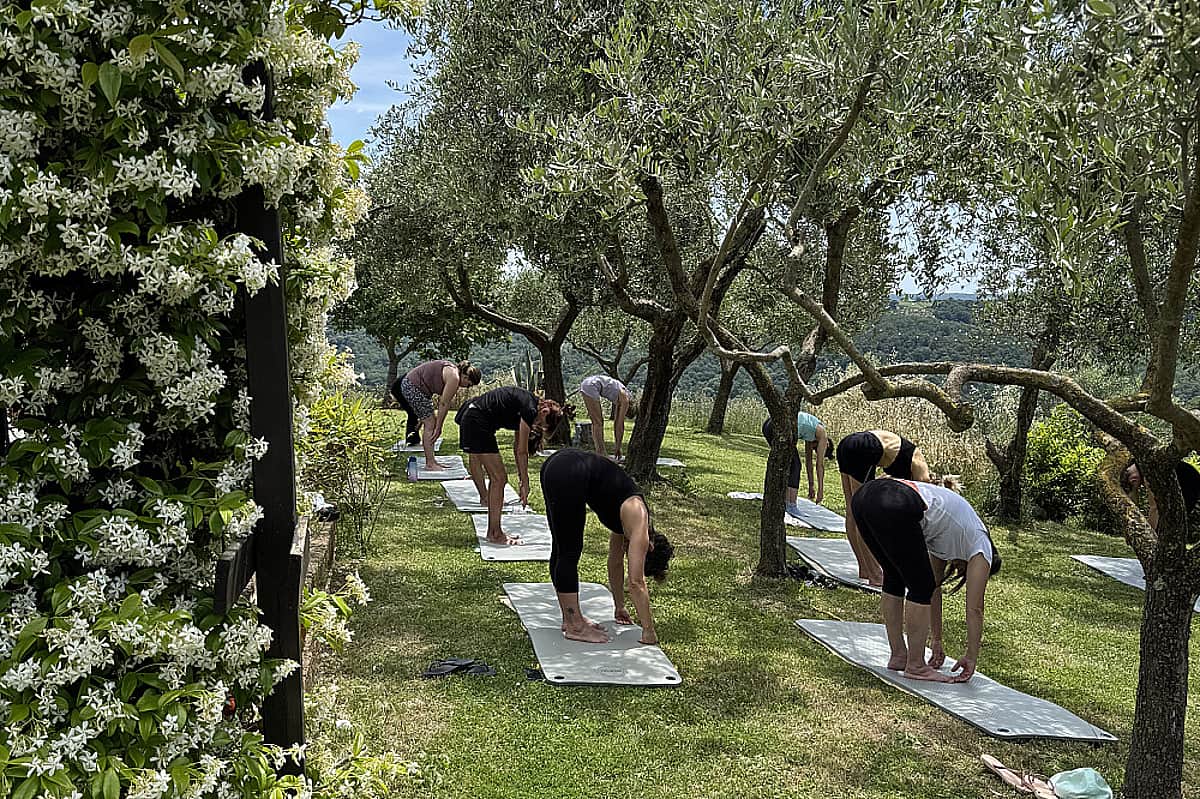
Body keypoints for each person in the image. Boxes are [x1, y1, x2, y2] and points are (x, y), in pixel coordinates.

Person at [851, 477, 1001, 683]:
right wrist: (971, 657)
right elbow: (975, 609)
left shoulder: (952, 535)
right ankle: (915, 665)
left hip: (865, 497)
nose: (958, 570)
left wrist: (936, 641)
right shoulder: (981, 546)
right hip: (894, 500)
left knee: (895, 576)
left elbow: (934, 589)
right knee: (920, 585)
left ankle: (899, 655)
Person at [540, 448, 674, 644]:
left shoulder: (627, 520)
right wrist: (649, 631)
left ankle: (571, 618)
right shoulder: (639, 520)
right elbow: (636, 583)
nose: (631, 556)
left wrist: (619, 606)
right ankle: (575, 625)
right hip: (568, 471)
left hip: (557, 465)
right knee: (569, 551)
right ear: (650, 547)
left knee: (561, 549)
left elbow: (615, 563)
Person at [455, 386, 571, 545]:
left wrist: (522, 481)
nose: (536, 426)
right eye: (540, 424)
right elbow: (522, 451)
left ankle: (494, 531)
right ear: (544, 412)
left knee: (498, 478)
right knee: (499, 479)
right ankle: (495, 533)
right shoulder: (530, 409)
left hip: (474, 417)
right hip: (477, 421)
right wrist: (525, 482)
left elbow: (518, 448)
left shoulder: (528, 405)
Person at [836, 430, 932, 585]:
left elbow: (885, 480)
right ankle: (875, 575)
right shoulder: (922, 473)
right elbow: (923, 500)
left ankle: (864, 568)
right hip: (863, 448)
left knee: (852, 510)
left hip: (847, 444)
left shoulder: (904, 463)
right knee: (862, 513)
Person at [390, 360, 482, 469]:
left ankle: (431, 461)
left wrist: (430, 421)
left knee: (430, 422)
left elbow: (443, 403)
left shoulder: (452, 371)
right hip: (413, 387)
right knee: (431, 425)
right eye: (468, 385)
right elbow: (443, 403)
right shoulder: (454, 378)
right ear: (466, 377)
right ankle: (430, 463)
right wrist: (438, 427)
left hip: (413, 386)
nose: (466, 387)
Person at [761, 411, 833, 514]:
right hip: (778, 427)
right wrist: (820, 491)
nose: (813, 450)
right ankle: (791, 505)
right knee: (795, 465)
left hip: (769, 425)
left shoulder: (811, 433)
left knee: (788, 464)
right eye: (816, 449)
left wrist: (811, 486)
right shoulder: (822, 434)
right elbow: (819, 465)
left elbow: (809, 462)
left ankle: (784, 501)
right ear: (827, 445)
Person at [1121, 459, 1200, 530]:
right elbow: (1133, 499)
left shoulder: (1148, 473)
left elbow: (1154, 507)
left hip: (1189, 484)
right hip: (1188, 479)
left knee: (1173, 521)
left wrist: (1148, 533)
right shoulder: (1141, 461)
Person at [579, 374, 631, 459]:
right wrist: (618, 447)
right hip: (591, 386)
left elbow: (616, 423)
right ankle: (601, 454)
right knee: (598, 423)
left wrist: (618, 446)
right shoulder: (625, 400)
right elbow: (620, 425)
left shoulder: (621, 396)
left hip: (587, 384)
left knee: (596, 422)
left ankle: (600, 452)